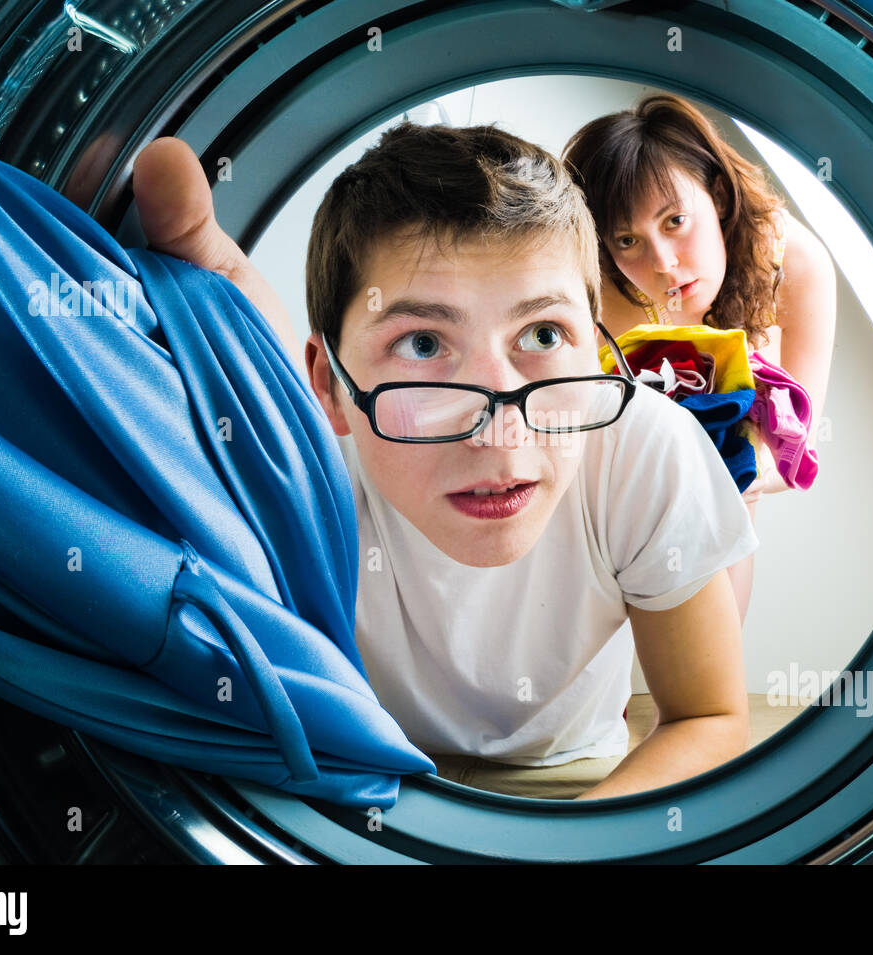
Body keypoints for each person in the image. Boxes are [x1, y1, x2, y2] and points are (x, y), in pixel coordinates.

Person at [132, 123, 759, 800]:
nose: (497, 429)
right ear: (330, 388)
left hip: (580, 776)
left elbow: (708, 715)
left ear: (597, 350)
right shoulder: (309, 463)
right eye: (424, 344)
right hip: (362, 770)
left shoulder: (642, 446)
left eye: (543, 334)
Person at [561, 94, 837, 622]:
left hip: (730, 485)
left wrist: (712, 470)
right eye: (627, 239)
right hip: (613, 478)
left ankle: (716, 687)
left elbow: (793, 456)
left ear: (719, 197)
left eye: (674, 222)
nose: (663, 263)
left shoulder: (796, 265)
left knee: (736, 475)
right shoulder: (598, 282)